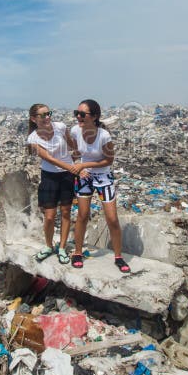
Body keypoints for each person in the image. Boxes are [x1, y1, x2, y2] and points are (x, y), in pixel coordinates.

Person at [69, 99, 131, 273]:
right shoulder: (75, 131)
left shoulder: (103, 135)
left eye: (82, 114)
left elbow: (109, 160)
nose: (78, 117)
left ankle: (118, 256)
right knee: (82, 215)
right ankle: (78, 252)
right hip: (84, 176)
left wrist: (84, 165)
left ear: (94, 117)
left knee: (112, 218)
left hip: (103, 177)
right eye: (77, 113)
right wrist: (79, 168)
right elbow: (74, 152)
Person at [26, 103, 75, 264]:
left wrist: (83, 156)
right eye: (43, 115)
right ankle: (48, 246)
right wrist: (72, 167)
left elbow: (71, 144)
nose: (48, 117)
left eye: (49, 113)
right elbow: (50, 159)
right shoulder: (32, 138)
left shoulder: (60, 127)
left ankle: (62, 247)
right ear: (34, 119)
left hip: (67, 176)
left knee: (66, 212)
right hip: (50, 176)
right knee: (49, 216)